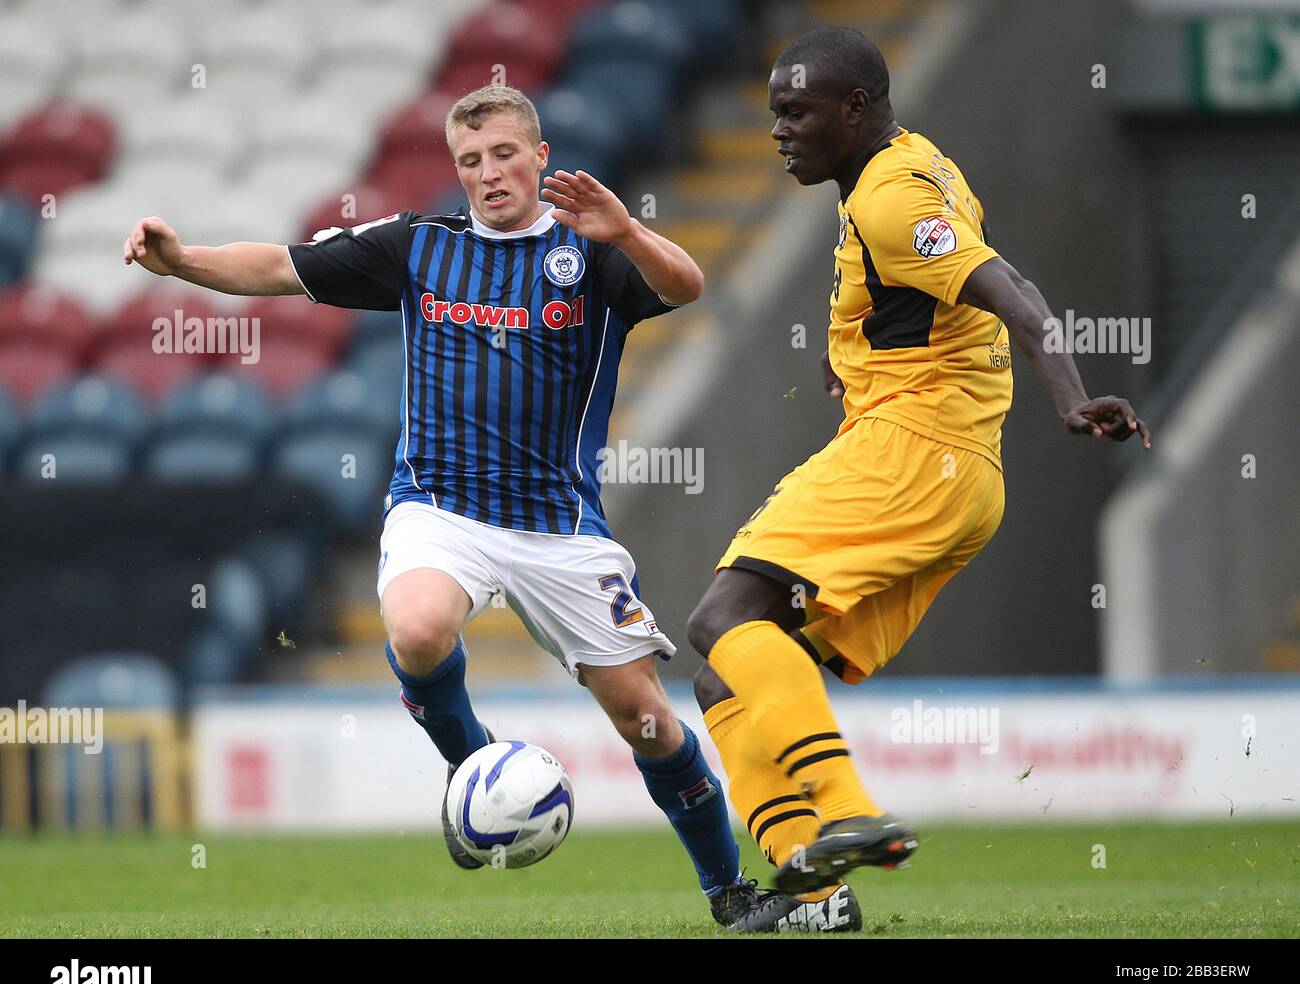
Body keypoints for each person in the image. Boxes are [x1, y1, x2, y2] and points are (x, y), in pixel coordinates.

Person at [122, 84, 797, 929]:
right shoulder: (418, 246)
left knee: (650, 720)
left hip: (559, 527)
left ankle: (728, 893)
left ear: (540, 156)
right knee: (414, 628)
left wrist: (624, 229)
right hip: (441, 509)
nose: (488, 173)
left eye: (505, 154)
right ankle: (473, 770)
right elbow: (282, 267)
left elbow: (689, 284)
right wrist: (182, 261)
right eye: (470, 161)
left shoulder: (589, 250)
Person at [686, 27, 1151, 932]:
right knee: (725, 678)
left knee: (719, 618)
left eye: (797, 112)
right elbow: (922, 295)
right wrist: (853, 351)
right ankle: (814, 894)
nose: (779, 130)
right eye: (775, 112)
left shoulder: (893, 198)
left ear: (854, 109)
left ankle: (850, 807)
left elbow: (1014, 291)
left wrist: (1072, 396)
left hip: (913, 453)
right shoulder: (909, 164)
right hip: (951, 469)